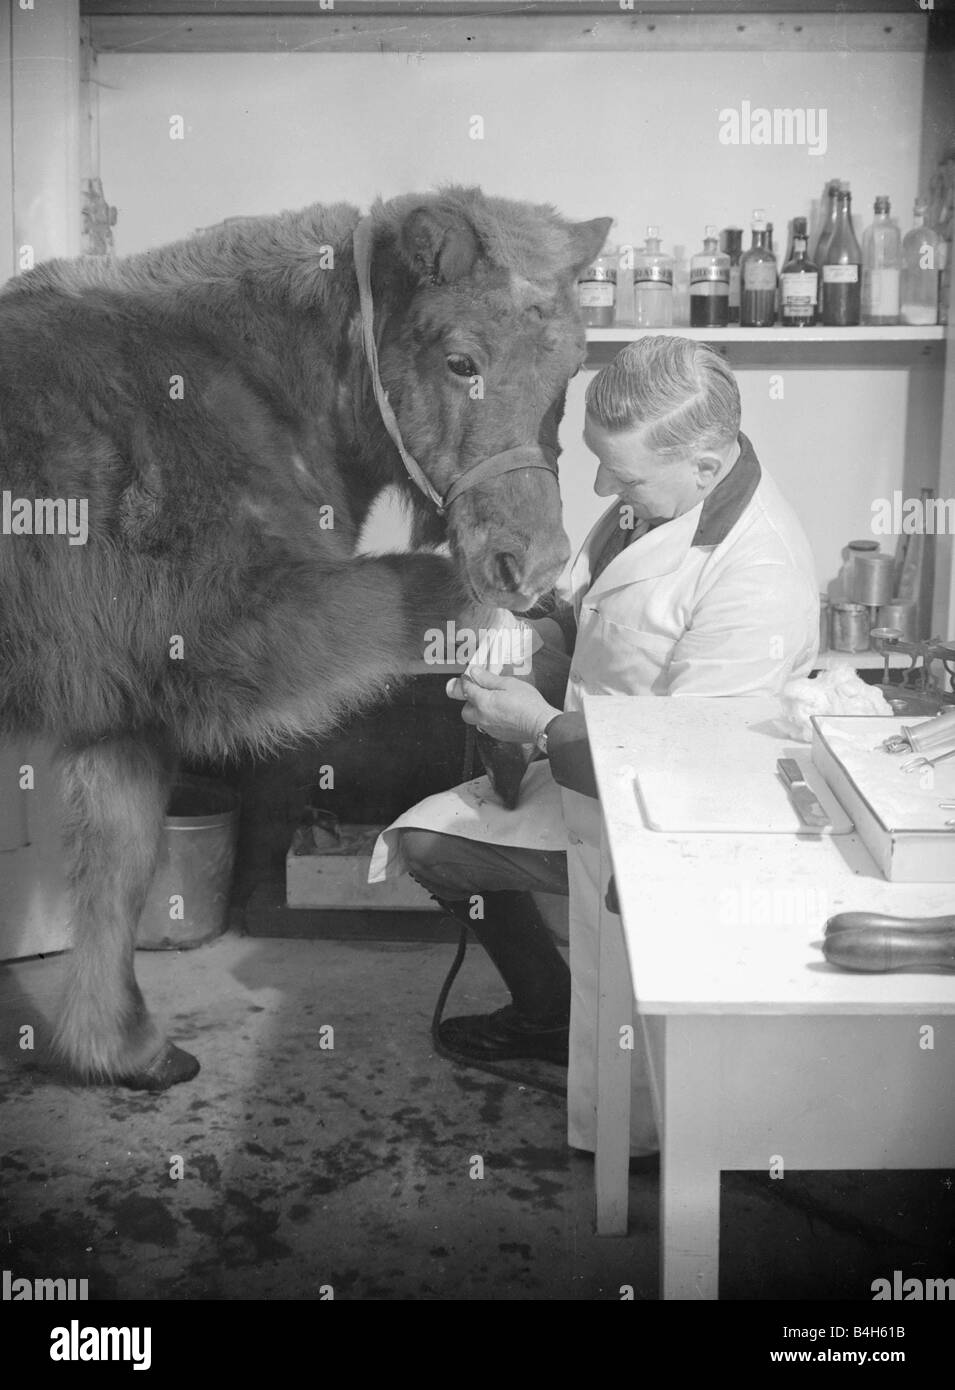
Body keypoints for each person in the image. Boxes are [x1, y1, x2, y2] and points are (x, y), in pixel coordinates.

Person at [369, 335, 819, 1155]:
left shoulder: (757, 578)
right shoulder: (653, 502)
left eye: (624, 475)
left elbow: (693, 768)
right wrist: (525, 638)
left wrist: (536, 726)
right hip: (586, 774)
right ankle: (547, 1016)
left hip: (663, 828)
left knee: (638, 1081)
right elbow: (585, 611)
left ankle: (648, 1139)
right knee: (426, 844)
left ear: (708, 466)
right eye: (598, 465)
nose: (604, 488)